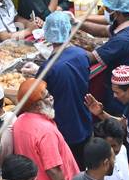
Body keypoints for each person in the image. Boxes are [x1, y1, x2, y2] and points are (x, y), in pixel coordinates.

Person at [41, 12, 95, 156]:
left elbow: (38, 95)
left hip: (64, 130)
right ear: (69, 30)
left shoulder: (48, 68)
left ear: (47, 34)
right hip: (84, 122)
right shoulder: (82, 54)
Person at [93, 0, 129, 117]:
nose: (106, 11)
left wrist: (69, 49)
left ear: (116, 12)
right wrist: (78, 23)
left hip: (120, 95)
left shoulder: (122, 40)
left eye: (108, 9)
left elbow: (92, 57)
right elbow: (104, 30)